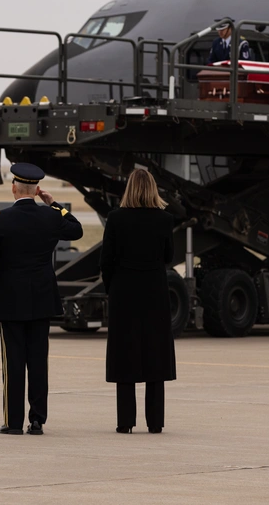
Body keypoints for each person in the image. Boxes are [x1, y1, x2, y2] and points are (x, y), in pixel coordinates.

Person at [0, 163, 83, 436]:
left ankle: (13, 422)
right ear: (37, 190)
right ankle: (37, 420)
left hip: (10, 299)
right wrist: (54, 204)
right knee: (38, 362)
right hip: (41, 298)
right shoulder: (50, 218)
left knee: (13, 362)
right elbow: (76, 230)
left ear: (14, 188)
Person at [100, 168, 176, 435]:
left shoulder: (116, 218)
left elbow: (105, 261)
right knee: (155, 354)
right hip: (154, 290)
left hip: (124, 290)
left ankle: (125, 422)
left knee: (125, 355)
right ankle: (155, 422)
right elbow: (168, 256)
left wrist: (114, 288)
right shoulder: (165, 219)